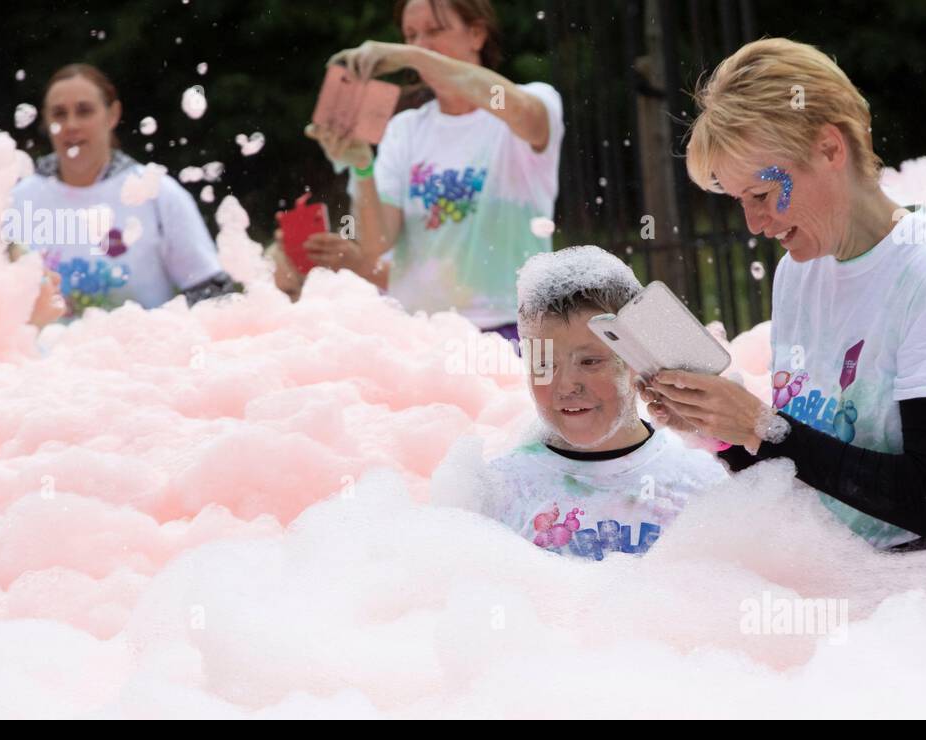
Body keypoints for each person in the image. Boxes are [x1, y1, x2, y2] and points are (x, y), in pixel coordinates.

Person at [641, 38, 926, 551]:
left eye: (763, 195)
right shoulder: (799, 273)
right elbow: (808, 468)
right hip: (831, 573)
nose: (753, 223)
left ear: (830, 148)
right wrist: (721, 428)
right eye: (741, 202)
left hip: (920, 598)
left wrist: (760, 425)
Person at [305, 0, 564, 340]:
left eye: (434, 31)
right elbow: (375, 244)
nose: (419, 44)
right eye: (410, 35)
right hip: (421, 333)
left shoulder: (531, 101)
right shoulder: (405, 129)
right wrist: (361, 167)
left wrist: (414, 56)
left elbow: (517, 109)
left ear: (476, 34)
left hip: (510, 327)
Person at [478, 246, 728, 560]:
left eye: (590, 361)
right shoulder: (498, 491)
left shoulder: (698, 483)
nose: (566, 384)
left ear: (638, 359)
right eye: (543, 364)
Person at [13, 64, 238, 324]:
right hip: (43, 362)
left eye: (84, 111)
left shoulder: (157, 193)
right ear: (46, 121)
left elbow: (213, 295)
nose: (71, 125)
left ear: (113, 115)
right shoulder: (17, 200)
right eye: (59, 114)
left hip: (143, 358)